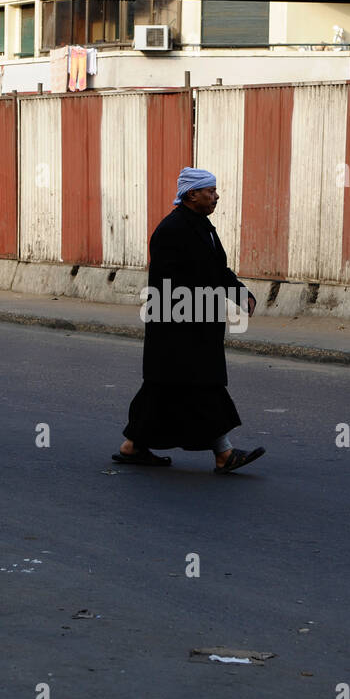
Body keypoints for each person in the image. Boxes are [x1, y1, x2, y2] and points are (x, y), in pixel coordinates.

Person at [113, 167, 266, 473]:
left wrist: (240, 292)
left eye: (215, 191)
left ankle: (133, 446)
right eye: (210, 191)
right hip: (179, 326)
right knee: (204, 385)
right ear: (192, 194)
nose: (216, 196)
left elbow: (216, 269)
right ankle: (224, 454)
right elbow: (175, 282)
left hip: (194, 324)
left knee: (162, 389)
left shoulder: (202, 226)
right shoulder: (172, 230)